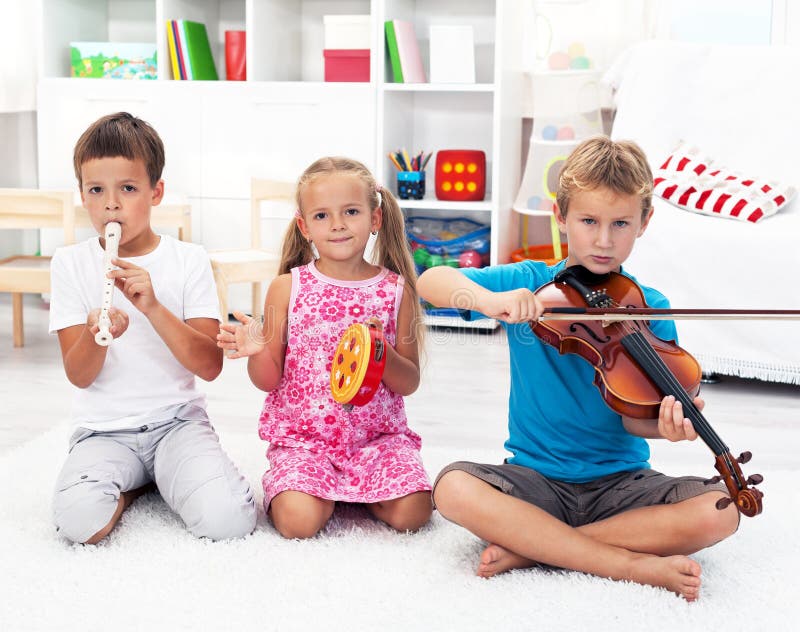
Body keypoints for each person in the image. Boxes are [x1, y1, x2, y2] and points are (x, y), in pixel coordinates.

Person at [416, 136, 739, 601]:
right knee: (452, 488)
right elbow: (431, 282)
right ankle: (627, 563)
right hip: (535, 482)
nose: (604, 241)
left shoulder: (648, 308)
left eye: (620, 223)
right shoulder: (529, 282)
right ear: (561, 216)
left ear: (644, 222)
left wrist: (665, 427)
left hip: (622, 485)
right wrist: (490, 300)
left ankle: (535, 547)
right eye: (589, 221)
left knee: (721, 509)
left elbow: (635, 418)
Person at [50, 112, 256, 544]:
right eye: (96, 190)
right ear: (82, 195)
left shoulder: (189, 259)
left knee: (229, 521)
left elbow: (210, 366)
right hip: (102, 430)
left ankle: (166, 473)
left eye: (127, 188)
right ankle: (139, 485)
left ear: (155, 192)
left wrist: (152, 307)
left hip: (177, 423)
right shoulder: (69, 263)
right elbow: (79, 375)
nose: (111, 204)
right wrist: (95, 336)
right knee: (78, 524)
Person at [217, 156, 432, 538]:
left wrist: (382, 355)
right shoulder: (287, 287)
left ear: (375, 218)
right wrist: (258, 350)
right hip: (305, 443)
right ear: (305, 227)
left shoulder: (396, 290)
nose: (337, 224)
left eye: (351, 211)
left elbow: (409, 382)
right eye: (321, 216)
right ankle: (322, 491)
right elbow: (268, 381)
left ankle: (354, 489)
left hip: (377, 442)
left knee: (415, 513)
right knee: (297, 523)